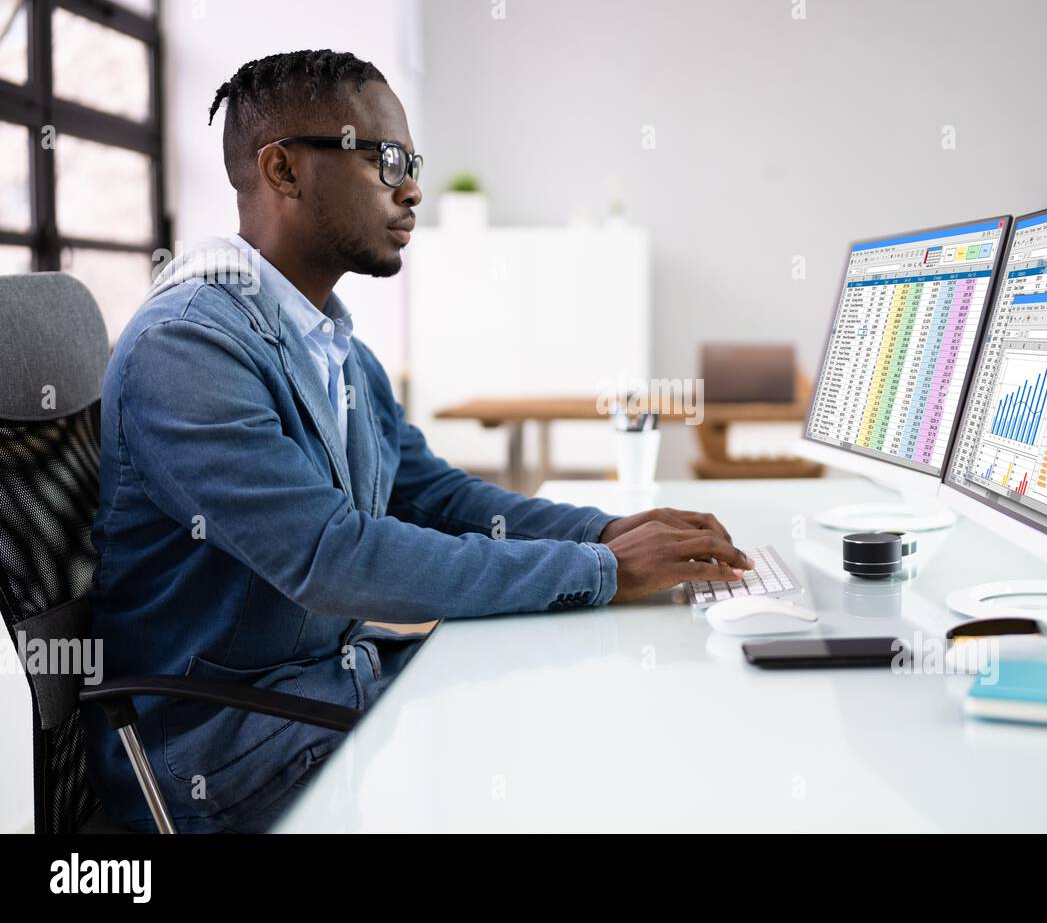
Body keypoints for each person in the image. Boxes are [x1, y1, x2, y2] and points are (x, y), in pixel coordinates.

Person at [85, 49, 751, 833]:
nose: (411, 188)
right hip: (218, 748)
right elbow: (333, 559)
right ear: (284, 170)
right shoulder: (187, 348)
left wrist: (604, 532)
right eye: (383, 158)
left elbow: (436, 497)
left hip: (324, 691)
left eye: (411, 160)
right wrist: (602, 569)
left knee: (584, 693)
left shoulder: (336, 349)